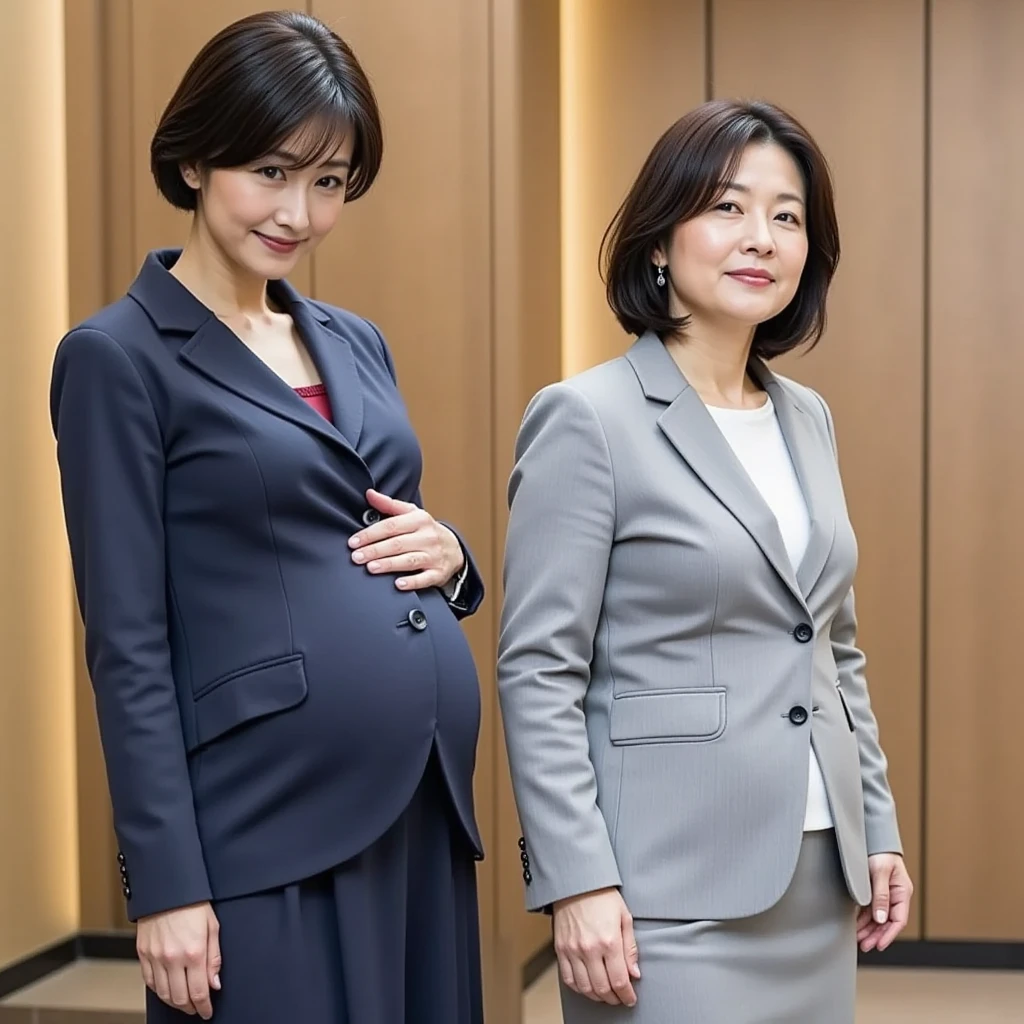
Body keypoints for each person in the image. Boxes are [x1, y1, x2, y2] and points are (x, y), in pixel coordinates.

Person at [50, 11, 485, 1023]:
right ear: (197, 157)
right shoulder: (118, 358)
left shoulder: (355, 339)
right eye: (274, 172)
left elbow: (379, 524)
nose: (300, 211)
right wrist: (161, 882)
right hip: (266, 825)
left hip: (416, 803)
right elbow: (126, 640)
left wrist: (456, 559)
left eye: (329, 182)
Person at [497, 99, 913, 1023]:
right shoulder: (587, 418)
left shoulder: (807, 417)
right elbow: (538, 670)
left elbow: (834, 647)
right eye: (727, 207)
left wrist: (875, 828)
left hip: (816, 874)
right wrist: (577, 880)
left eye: (787, 215)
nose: (759, 236)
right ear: (659, 240)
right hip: (660, 891)